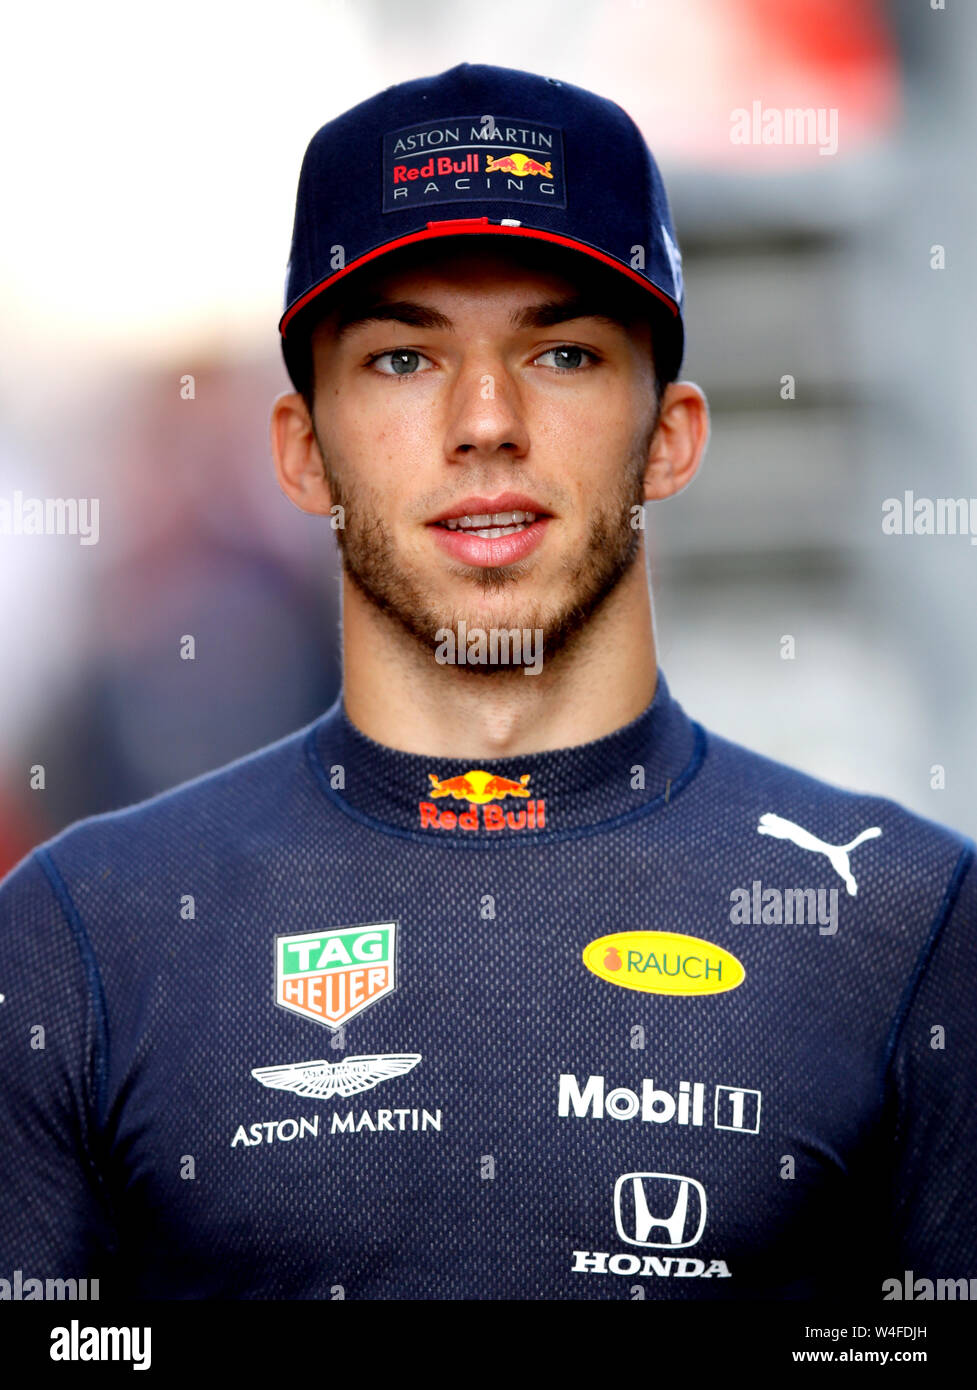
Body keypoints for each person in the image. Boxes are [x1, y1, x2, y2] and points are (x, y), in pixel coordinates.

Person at [0, 63, 974, 1302]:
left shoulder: (910, 925)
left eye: (560, 350)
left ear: (668, 434)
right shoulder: (82, 937)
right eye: (404, 359)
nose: (484, 418)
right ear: (302, 452)